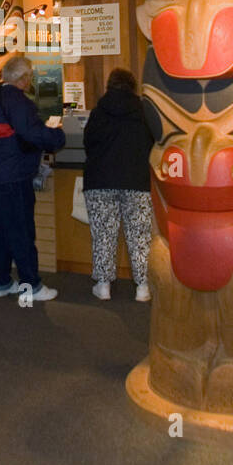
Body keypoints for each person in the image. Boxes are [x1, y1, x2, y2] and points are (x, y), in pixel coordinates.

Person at [0, 55, 65, 301]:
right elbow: (34, 133)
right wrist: (58, 136)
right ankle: (31, 286)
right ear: (23, 78)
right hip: (14, 175)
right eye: (30, 76)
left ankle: (2, 281)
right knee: (21, 230)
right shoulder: (19, 103)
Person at [82, 68, 155, 302]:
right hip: (137, 181)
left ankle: (103, 286)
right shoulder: (144, 111)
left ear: (109, 86)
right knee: (140, 235)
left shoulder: (98, 112)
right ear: (133, 86)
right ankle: (142, 287)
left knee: (104, 234)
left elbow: (88, 143)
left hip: (100, 181)